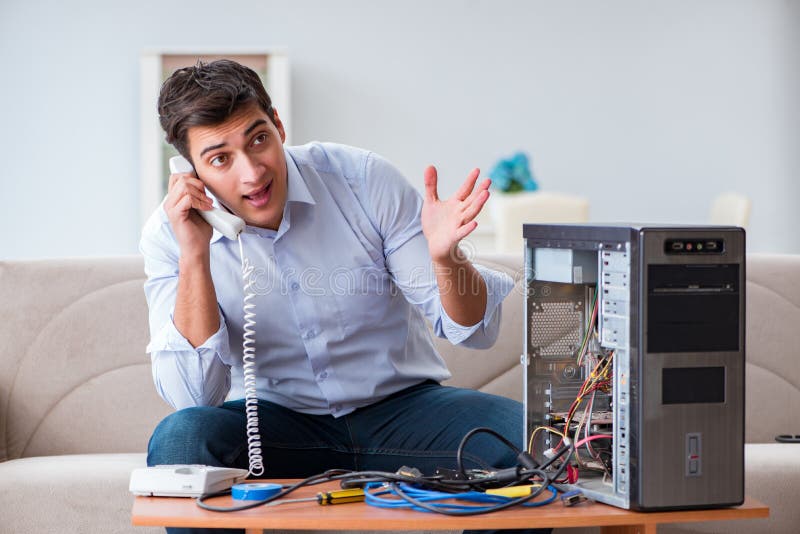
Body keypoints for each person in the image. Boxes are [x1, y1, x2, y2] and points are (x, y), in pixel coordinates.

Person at [141, 59, 547, 534]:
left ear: (278, 123)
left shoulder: (362, 179)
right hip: (273, 426)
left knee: (532, 439)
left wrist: (445, 258)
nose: (252, 173)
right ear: (190, 171)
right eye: (220, 158)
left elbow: (467, 328)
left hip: (402, 411)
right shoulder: (169, 236)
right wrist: (195, 256)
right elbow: (194, 395)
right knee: (181, 439)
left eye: (258, 139)